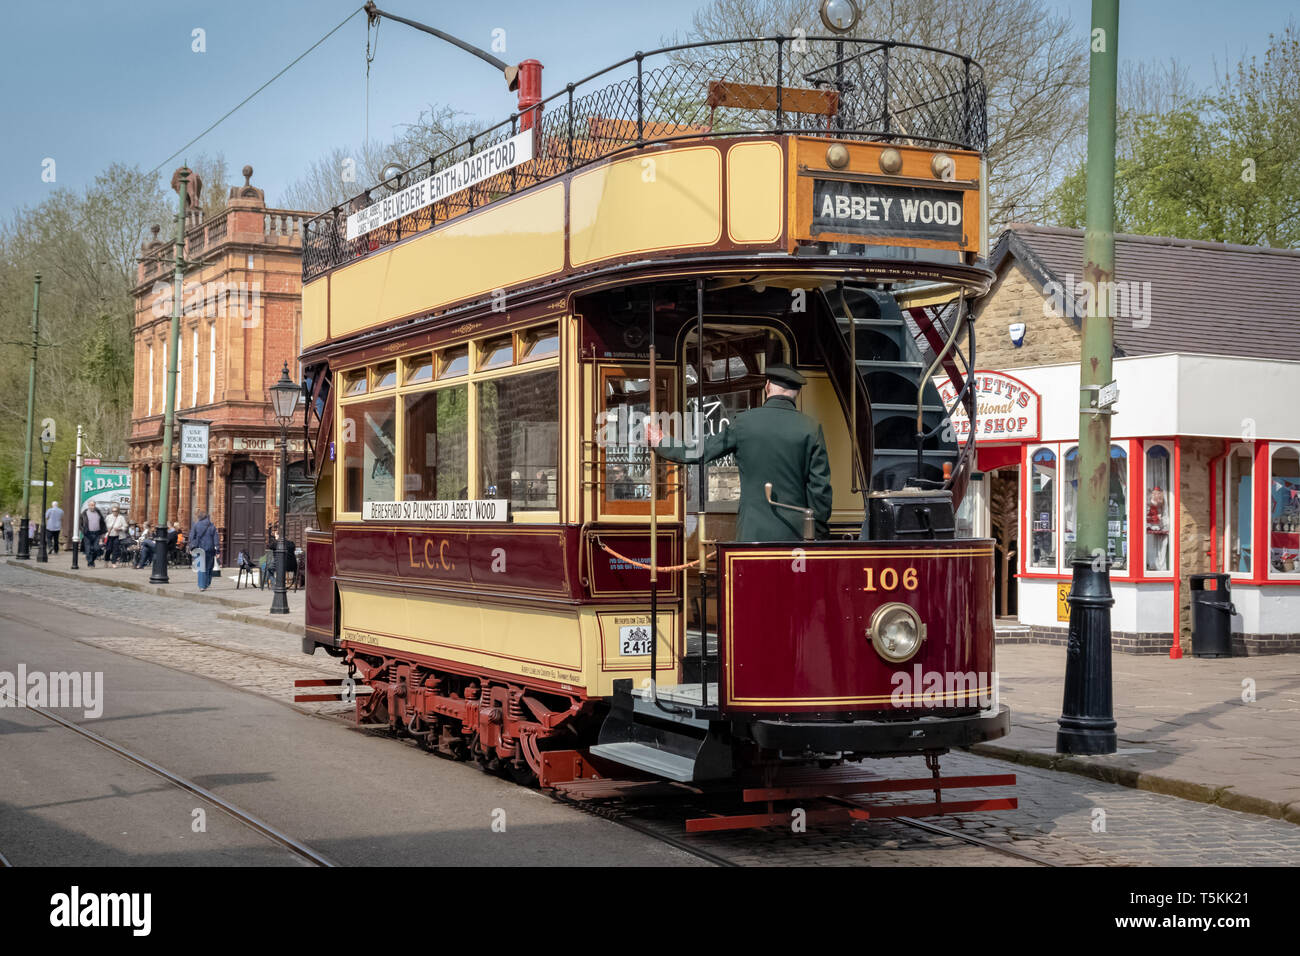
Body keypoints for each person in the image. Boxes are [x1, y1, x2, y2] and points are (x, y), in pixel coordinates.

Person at [648, 363, 833, 542]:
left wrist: (663, 442)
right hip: (797, 534)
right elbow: (820, 489)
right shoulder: (810, 428)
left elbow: (700, 451)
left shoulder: (744, 423)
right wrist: (818, 530)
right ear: (797, 393)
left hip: (753, 532)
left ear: (767, 386)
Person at [189, 509, 219, 590]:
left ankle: (202, 585)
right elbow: (216, 538)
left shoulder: (196, 525)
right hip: (210, 549)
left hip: (199, 548)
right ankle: (207, 583)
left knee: (201, 567)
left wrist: (191, 548)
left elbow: (192, 537)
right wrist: (217, 550)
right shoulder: (212, 525)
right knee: (209, 567)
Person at [79, 502, 105, 567]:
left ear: (95, 505)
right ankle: (90, 563)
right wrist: (83, 531)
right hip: (88, 533)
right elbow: (80, 524)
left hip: (97, 533)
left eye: (93, 505)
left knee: (97, 548)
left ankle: (92, 560)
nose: (92, 507)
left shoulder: (98, 513)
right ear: (88, 506)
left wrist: (103, 532)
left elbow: (102, 523)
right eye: (91, 505)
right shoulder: (84, 514)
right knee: (88, 549)